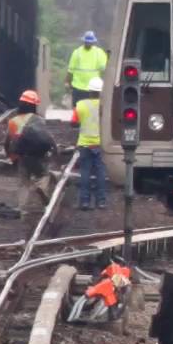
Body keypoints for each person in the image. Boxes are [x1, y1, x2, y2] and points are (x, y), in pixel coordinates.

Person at [6, 89, 55, 194]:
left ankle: (24, 203)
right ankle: (41, 187)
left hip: (21, 156)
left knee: (23, 182)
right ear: (34, 106)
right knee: (43, 175)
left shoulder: (12, 121)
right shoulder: (39, 120)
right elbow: (47, 138)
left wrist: (12, 158)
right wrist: (54, 150)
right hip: (39, 155)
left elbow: (8, 142)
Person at [71, 77, 108, 210]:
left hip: (85, 144)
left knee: (85, 173)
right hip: (100, 144)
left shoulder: (81, 104)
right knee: (101, 173)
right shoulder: (106, 105)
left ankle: (85, 202)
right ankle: (101, 201)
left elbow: (73, 123)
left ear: (89, 91)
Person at [66, 31, 108, 107]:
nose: (88, 43)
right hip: (79, 88)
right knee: (79, 110)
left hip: (92, 89)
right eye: (87, 42)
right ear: (84, 41)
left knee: (90, 110)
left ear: (93, 42)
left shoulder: (99, 53)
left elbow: (105, 69)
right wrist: (68, 82)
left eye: (90, 42)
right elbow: (70, 70)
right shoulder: (77, 52)